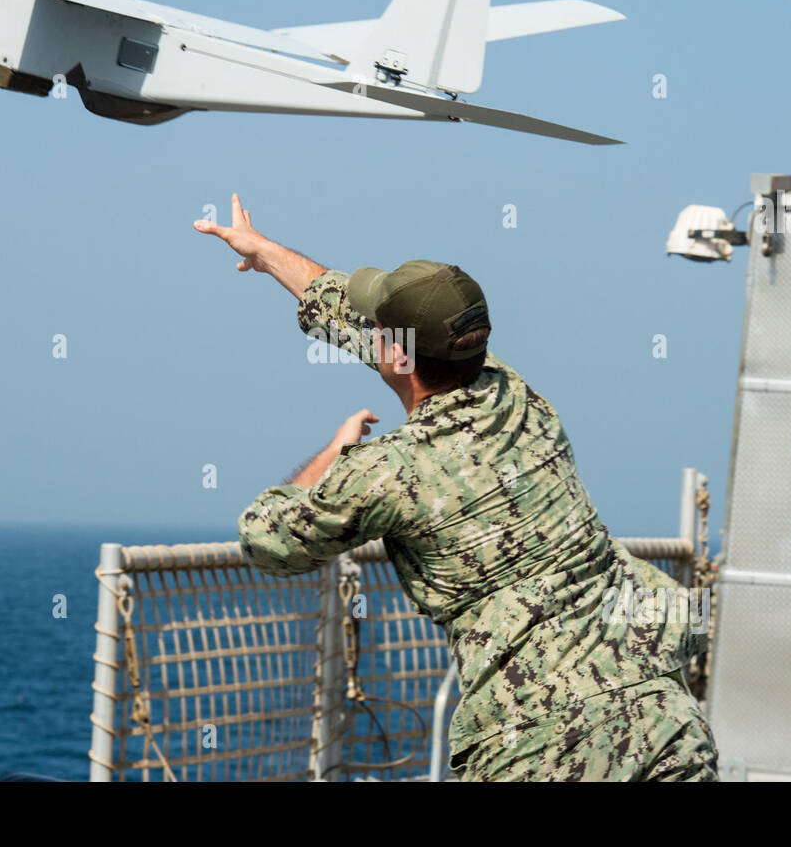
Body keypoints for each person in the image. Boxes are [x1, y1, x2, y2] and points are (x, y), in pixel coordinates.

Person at [194, 194, 718, 781]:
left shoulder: (392, 471)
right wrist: (265, 253)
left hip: (540, 751)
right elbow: (356, 320)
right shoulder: (512, 391)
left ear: (393, 352)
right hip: (663, 724)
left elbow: (268, 539)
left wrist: (336, 457)